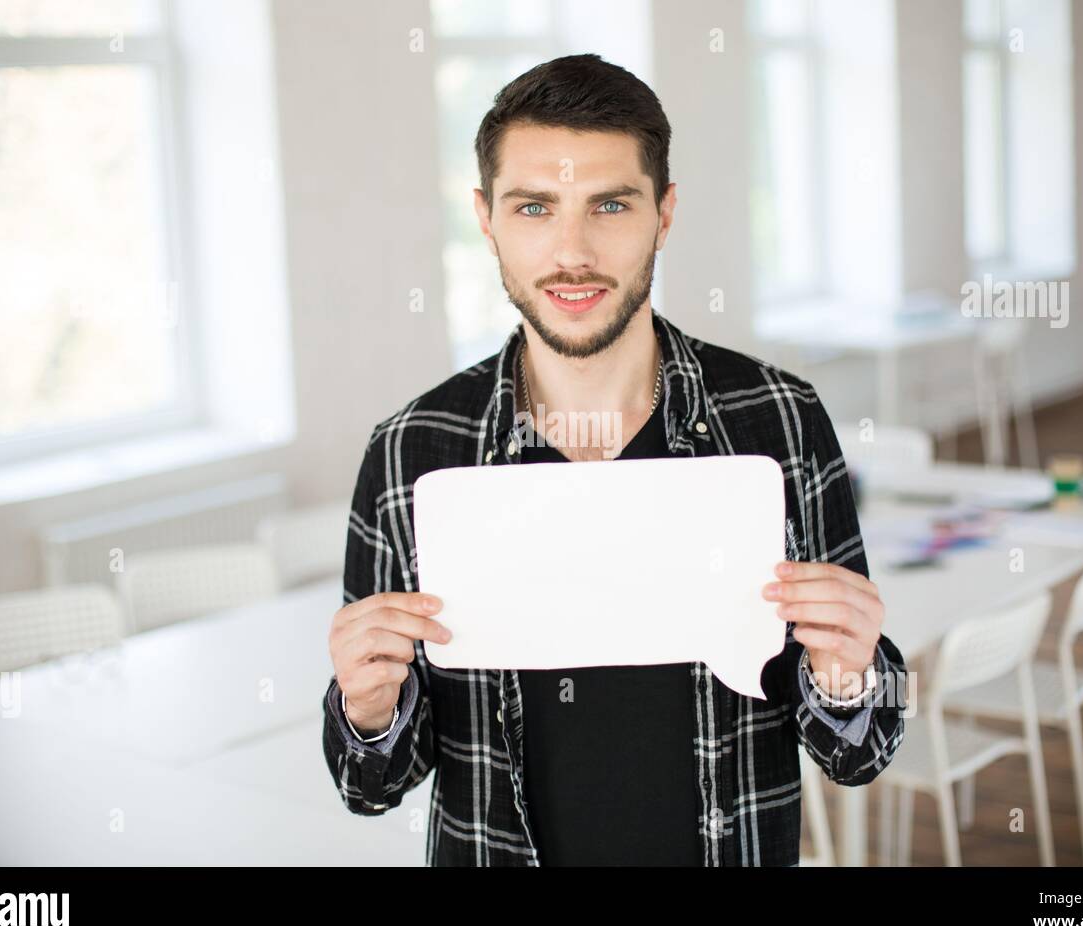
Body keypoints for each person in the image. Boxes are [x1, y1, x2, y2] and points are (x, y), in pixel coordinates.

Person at [322, 53, 906, 866]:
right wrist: (370, 708)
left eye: (610, 204)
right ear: (486, 220)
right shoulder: (412, 452)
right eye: (534, 207)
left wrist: (849, 677)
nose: (573, 251)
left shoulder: (781, 419)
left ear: (664, 215)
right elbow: (370, 786)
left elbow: (860, 752)